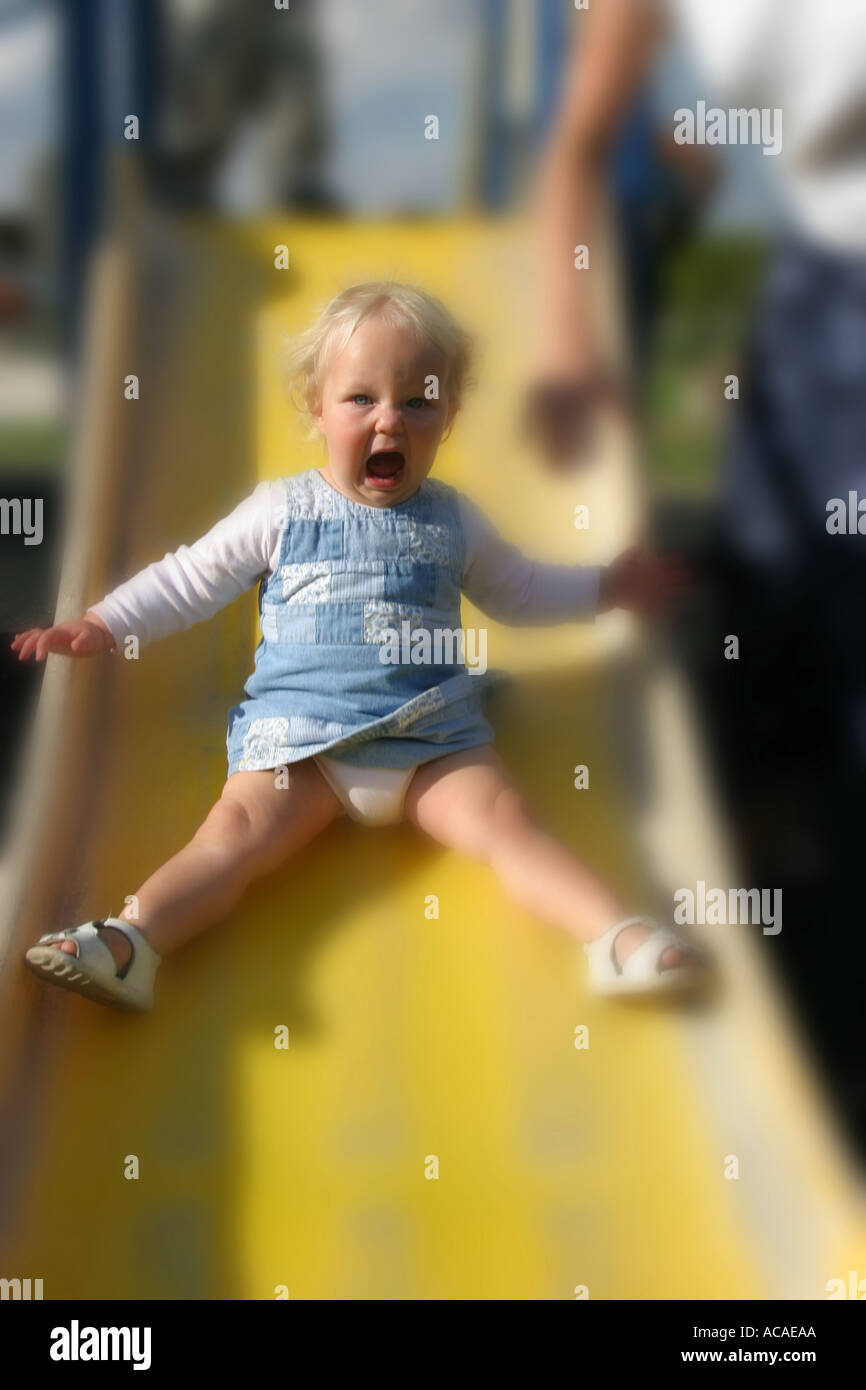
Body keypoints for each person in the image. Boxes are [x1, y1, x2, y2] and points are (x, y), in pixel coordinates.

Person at [13, 281, 707, 1013]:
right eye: (361, 400)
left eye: (418, 401)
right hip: (301, 742)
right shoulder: (281, 510)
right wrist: (106, 622)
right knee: (233, 835)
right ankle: (131, 941)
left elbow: (522, 590)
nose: (390, 421)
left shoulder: (455, 519)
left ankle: (618, 939)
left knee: (508, 826)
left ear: (449, 415)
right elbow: (191, 577)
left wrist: (607, 588)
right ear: (317, 408)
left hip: (432, 739)